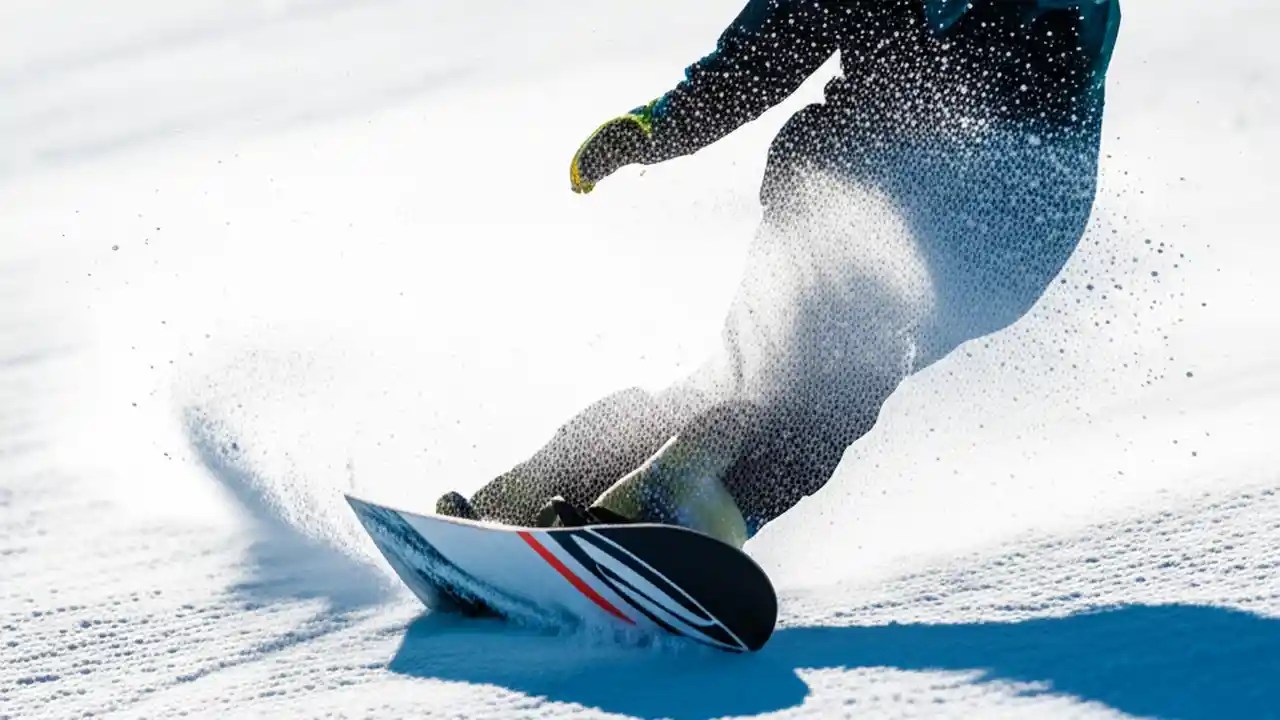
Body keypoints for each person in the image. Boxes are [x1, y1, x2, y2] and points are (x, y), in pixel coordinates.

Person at [436, 0, 1121, 547]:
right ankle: (525, 498)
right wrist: (656, 128)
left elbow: (1037, 105)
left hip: (989, 239)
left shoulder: (1053, 23)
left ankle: (678, 519)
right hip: (846, 190)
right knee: (737, 379)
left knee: (829, 385)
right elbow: (764, 54)